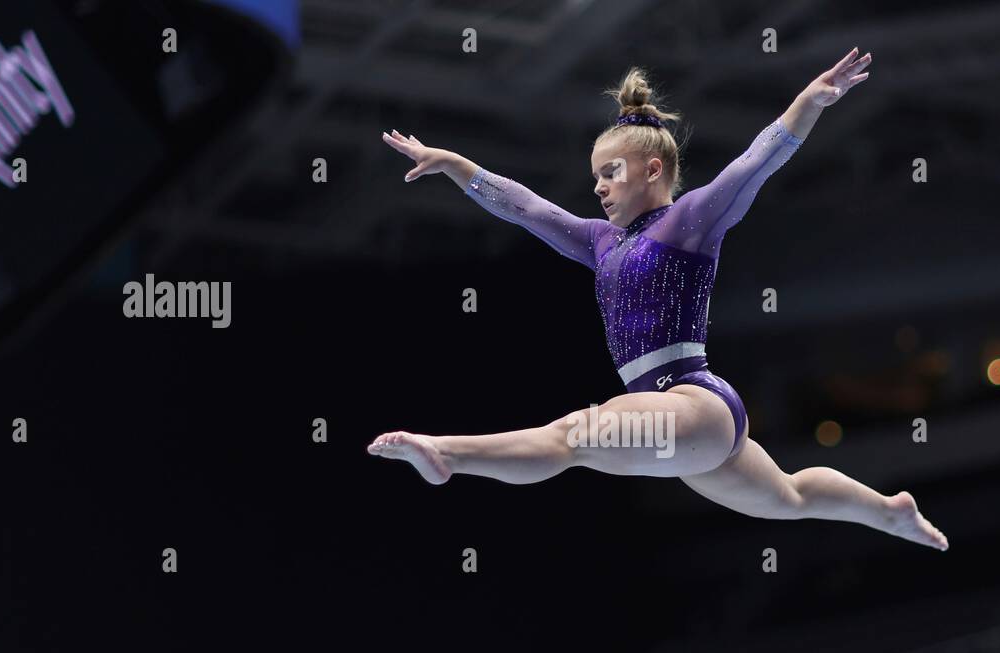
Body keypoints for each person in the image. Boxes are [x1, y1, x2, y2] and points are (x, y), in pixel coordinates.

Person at [371, 50, 947, 550]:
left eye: (610, 173)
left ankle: (444, 452)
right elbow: (527, 208)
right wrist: (456, 166)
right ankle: (887, 510)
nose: (598, 186)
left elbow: (754, 164)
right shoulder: (600, 242)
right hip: (674, 420)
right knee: (790, 497)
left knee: (572, 437)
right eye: (595, 175)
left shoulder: (688, 222)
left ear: (653, 169)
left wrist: (809, 103)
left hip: (692, 402)